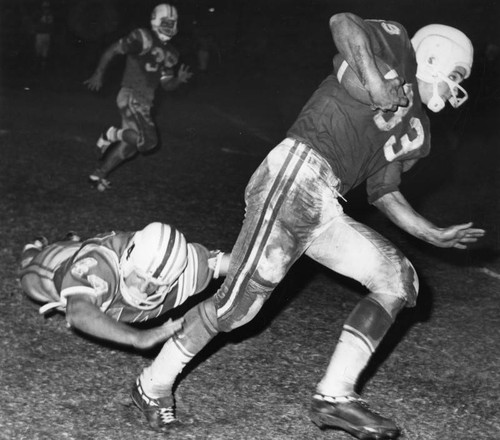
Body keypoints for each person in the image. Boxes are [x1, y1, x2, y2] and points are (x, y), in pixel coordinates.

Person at [129, 13, 486, 440]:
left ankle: (334, 396)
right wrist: (374, 81)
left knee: (399, 280)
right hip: (297, 171)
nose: (457, 86)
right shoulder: (398, 48)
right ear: (434, 59)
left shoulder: (419, 132)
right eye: (456, 74)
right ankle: (152, 385)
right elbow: (344, 24)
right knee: (235, 309)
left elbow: (383, 191)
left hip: (324, 203)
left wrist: (431, 233)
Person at [19, 222, 229, 354]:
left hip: (88, 254)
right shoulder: (102, 263)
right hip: (51, 270)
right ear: (128, 260)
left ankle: (70, 243)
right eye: (139, 277)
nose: (144, 288)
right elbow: (78, 312)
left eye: (156, 285)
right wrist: (136, 337)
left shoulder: (184, 267)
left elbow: (233, 264)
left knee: (75, 250)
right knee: (28, 272)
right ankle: (33, 249)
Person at [84, 4, 193, 192]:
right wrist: (99, 73)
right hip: (131, 95)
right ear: (155, 20)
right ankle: (110, 134)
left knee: (131, 148)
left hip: (144, 101)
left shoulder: (172, 53)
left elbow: (166, 84)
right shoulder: (142, 37)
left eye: (173, 23)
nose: (170, 26)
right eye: (166, 22)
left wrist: (178, 80)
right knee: (149, 142)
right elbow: (112, 50)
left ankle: (97, 175)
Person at [33, 1, 55, 71]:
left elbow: (48, 25)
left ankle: (41, 67)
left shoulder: (47, 16)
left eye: (46, 8)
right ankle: (41, 67)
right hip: (43, 34)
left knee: (42, 52)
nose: (45, 9)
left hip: (43, 34)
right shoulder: (44, 15)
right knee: (41, 52)